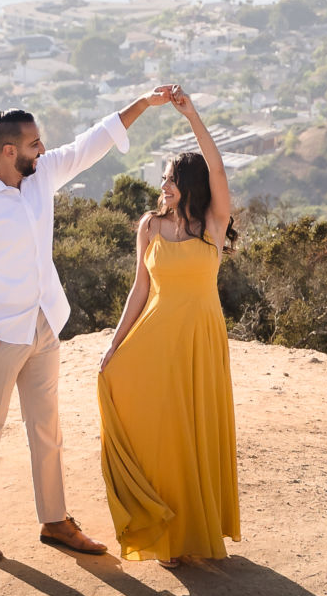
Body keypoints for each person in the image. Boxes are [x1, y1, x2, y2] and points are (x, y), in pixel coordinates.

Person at [0, 87, 174, 562]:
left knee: (47, 428)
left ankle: (55, 520)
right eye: (34, 143)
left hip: (43, 323)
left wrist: (142, 105)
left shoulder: (42, 176)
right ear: (8, 151)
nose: (42, 149)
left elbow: (90, 144)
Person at [97, 85, 241, 565]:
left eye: (171, 180)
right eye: (162, 180)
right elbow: (140, 289)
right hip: (157, 340)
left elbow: (217, 167)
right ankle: (164, 525)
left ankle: (192, 531)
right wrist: (115, 346)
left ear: (191, 184)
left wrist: (192, 115)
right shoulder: (150, 227)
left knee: (193, 434)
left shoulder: (213, 225)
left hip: (200, 340)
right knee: (161, 433)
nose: (163, 186)